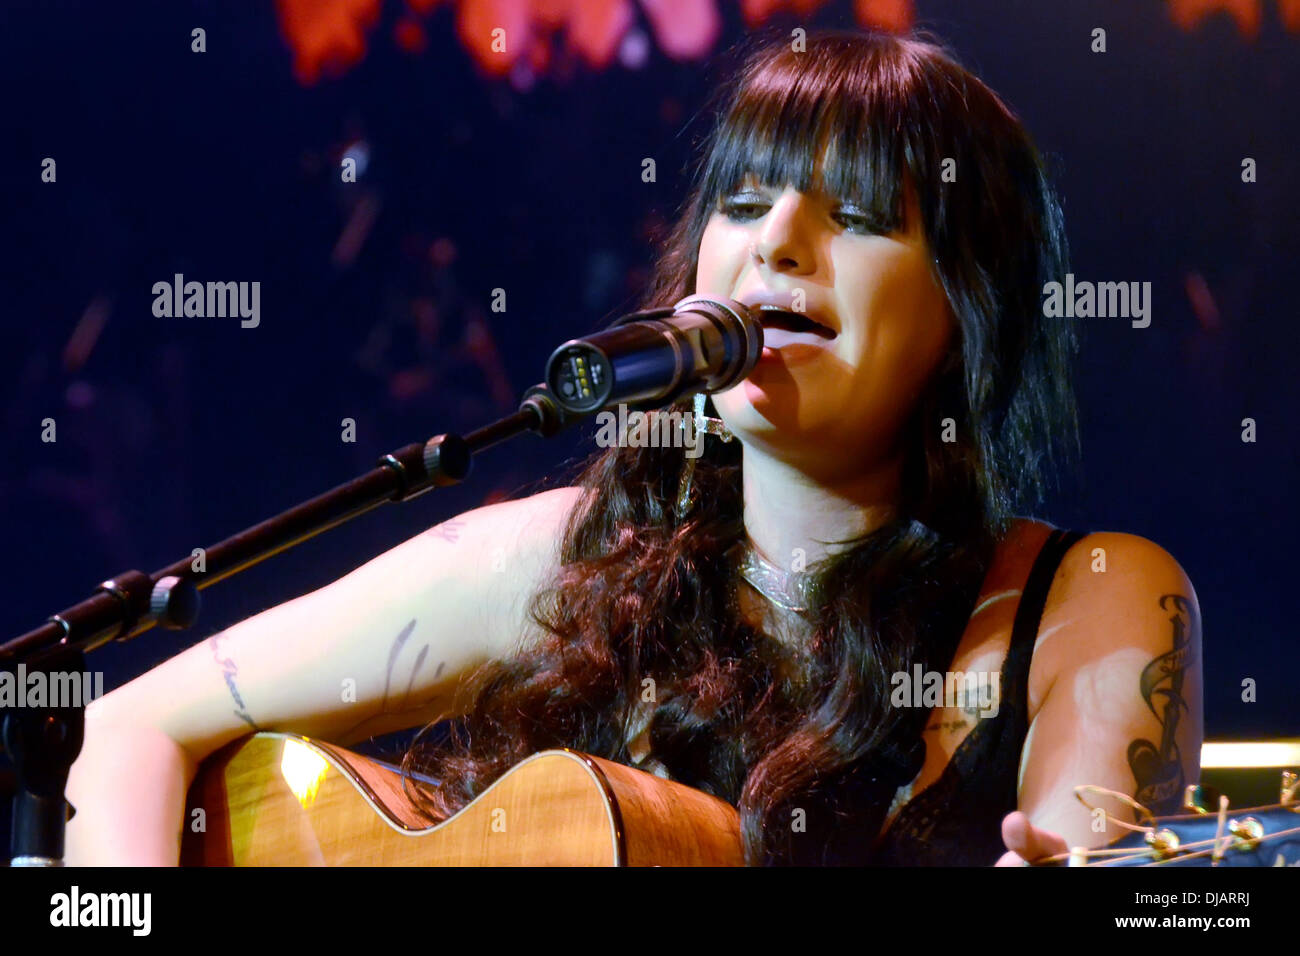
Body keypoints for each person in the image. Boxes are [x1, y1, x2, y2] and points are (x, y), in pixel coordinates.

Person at [64, 29, 1202, 867]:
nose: (779, 246)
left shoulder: (1089, 606)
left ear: (968, 302)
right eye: (745, 203)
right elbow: (124, 726)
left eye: (854, 216)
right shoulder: (562, 564)